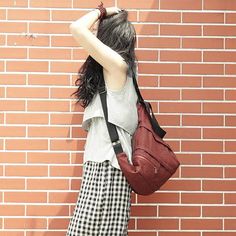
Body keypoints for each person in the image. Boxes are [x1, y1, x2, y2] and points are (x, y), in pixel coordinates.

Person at [66, 2, 138, 235]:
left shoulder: (118, 66)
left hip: (108, 166)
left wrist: (101, 12)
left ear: (109, 38)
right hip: (101, 166)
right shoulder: (113, 71)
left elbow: (77, 28)